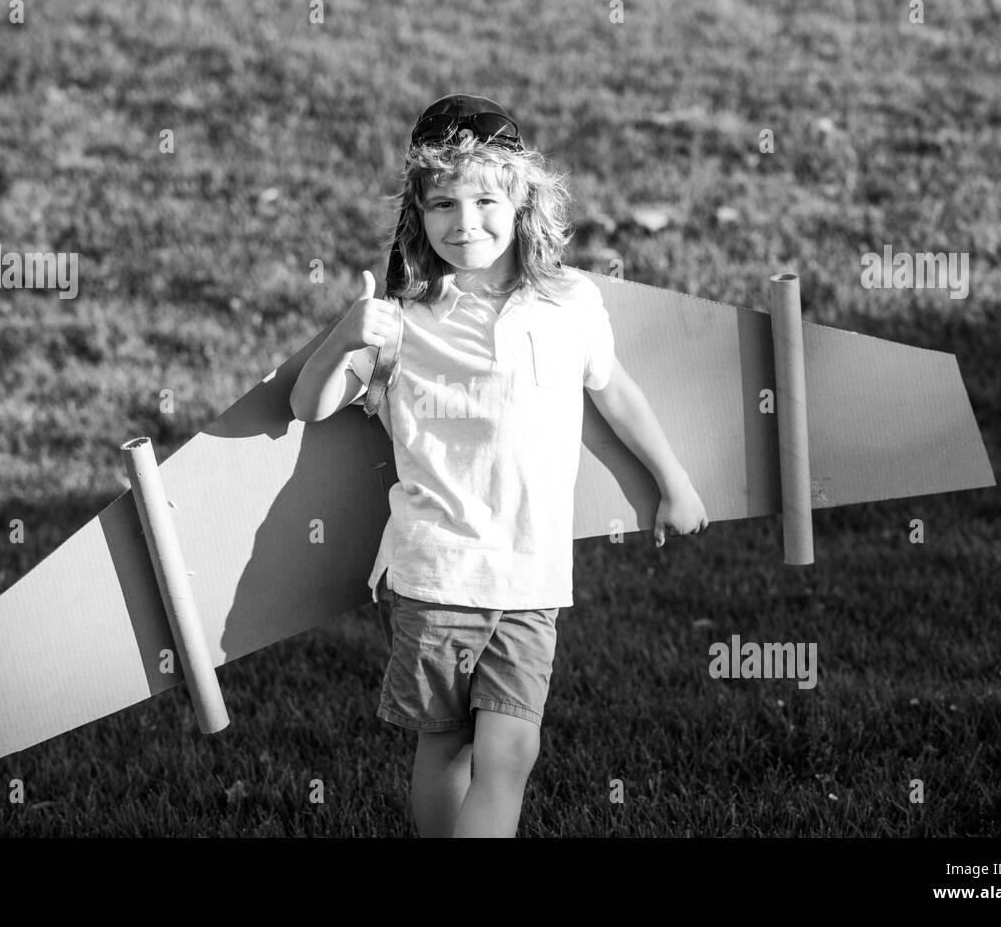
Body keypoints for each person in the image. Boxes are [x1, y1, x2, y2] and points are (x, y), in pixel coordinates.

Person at [289, 93, 707, 837]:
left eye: (486, 198)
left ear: (523, 201)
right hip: (436, 574)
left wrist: (671, 482)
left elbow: (616, 395)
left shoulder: (569, 301)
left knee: (512, 750)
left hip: (533, 576)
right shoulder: (403, 321)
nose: (465, 221)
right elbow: (309, 404)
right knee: (445, 744)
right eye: (442, 203)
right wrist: (344, 335)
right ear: (418, 214)